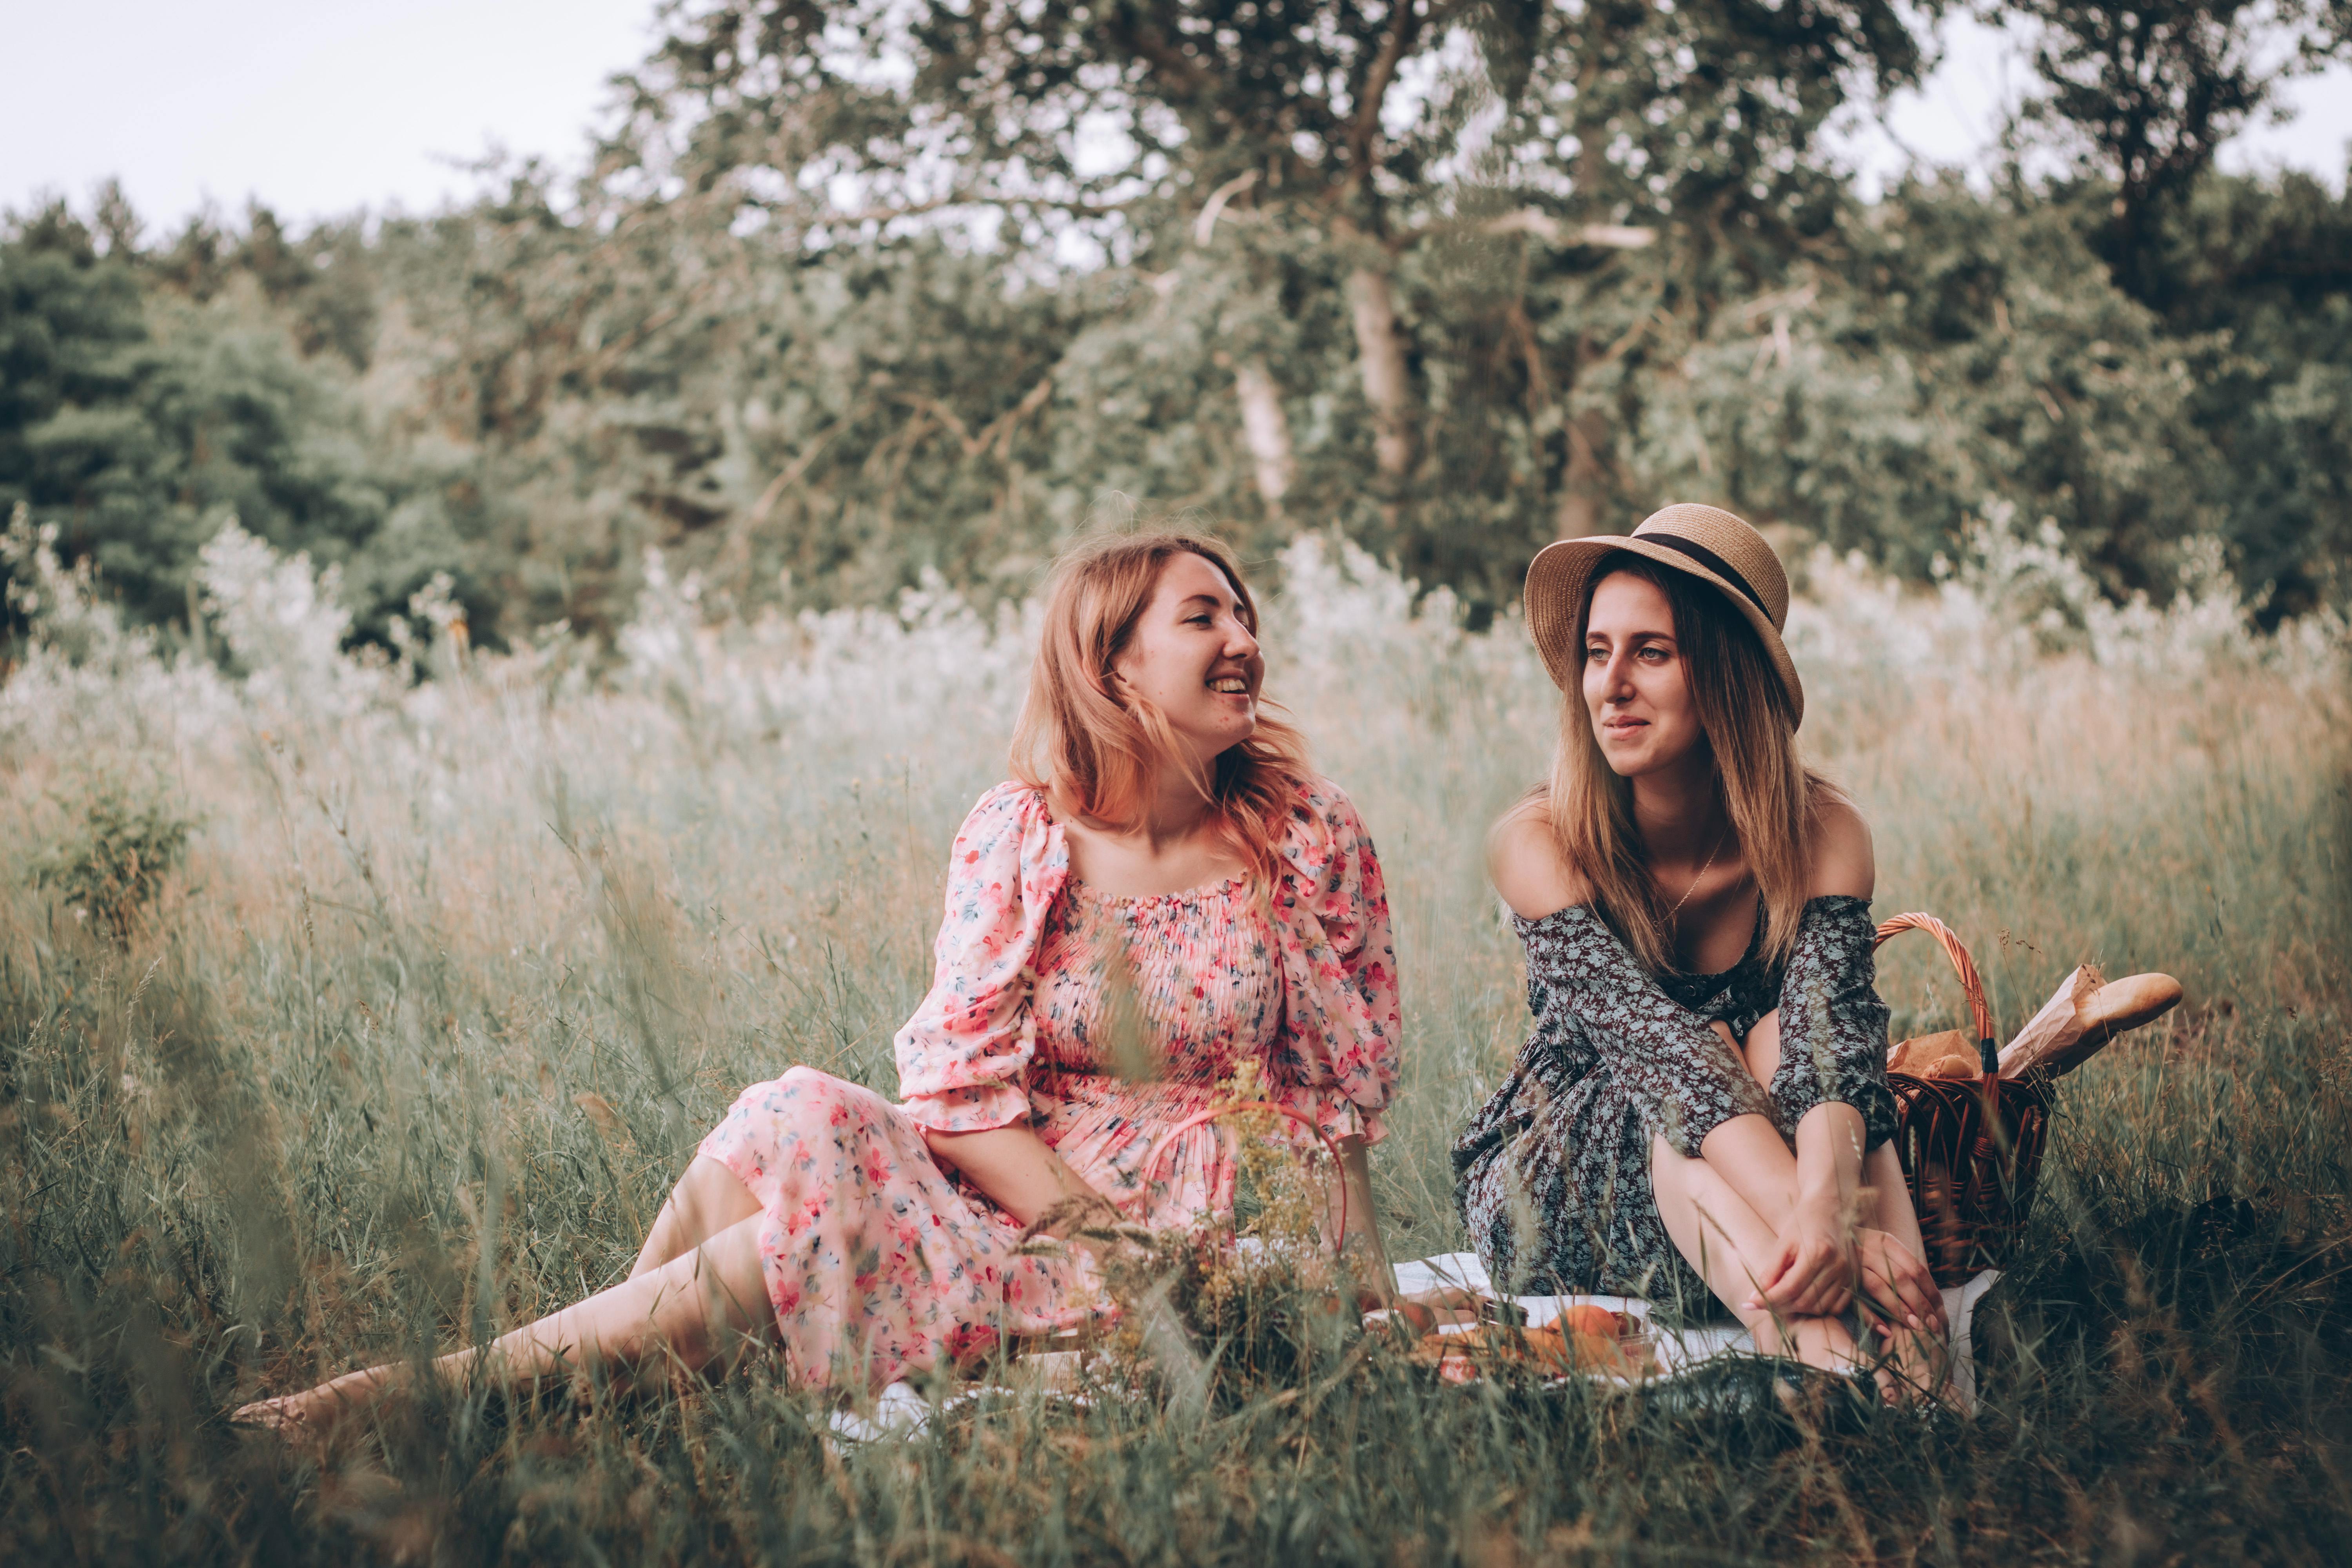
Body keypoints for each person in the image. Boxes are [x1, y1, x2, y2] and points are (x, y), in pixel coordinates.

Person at [238, 531, 1402, 1434]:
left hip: (1190, 1223)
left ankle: (428, 1397)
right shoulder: (1024, 837)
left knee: (795, 1237)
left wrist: (1365, 1293)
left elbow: (1337, 1097)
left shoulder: (1301, 835)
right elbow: (954, 1089)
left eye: (1246, 615)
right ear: (1112, 660)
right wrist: (1078, 1220)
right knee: (797, 1116)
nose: (1244, 638)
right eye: (1206, 616)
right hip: (1027, 1186)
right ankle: (611, 1376)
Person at [1451, 503, 1949, 1402]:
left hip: (1749, 1191)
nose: (1611, 684)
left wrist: (1833, 1205)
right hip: (1568, 1183)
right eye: (1597, 652)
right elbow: (1664, 1056)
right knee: (1699, 1064)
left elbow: (1832, 1042)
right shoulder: (1539, 840)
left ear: (1723, 673)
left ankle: (1921, 1375)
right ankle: (1822, 1357)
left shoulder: (1823, 830)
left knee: (1786, 1045)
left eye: (1652, 651)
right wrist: (1823, 1217)